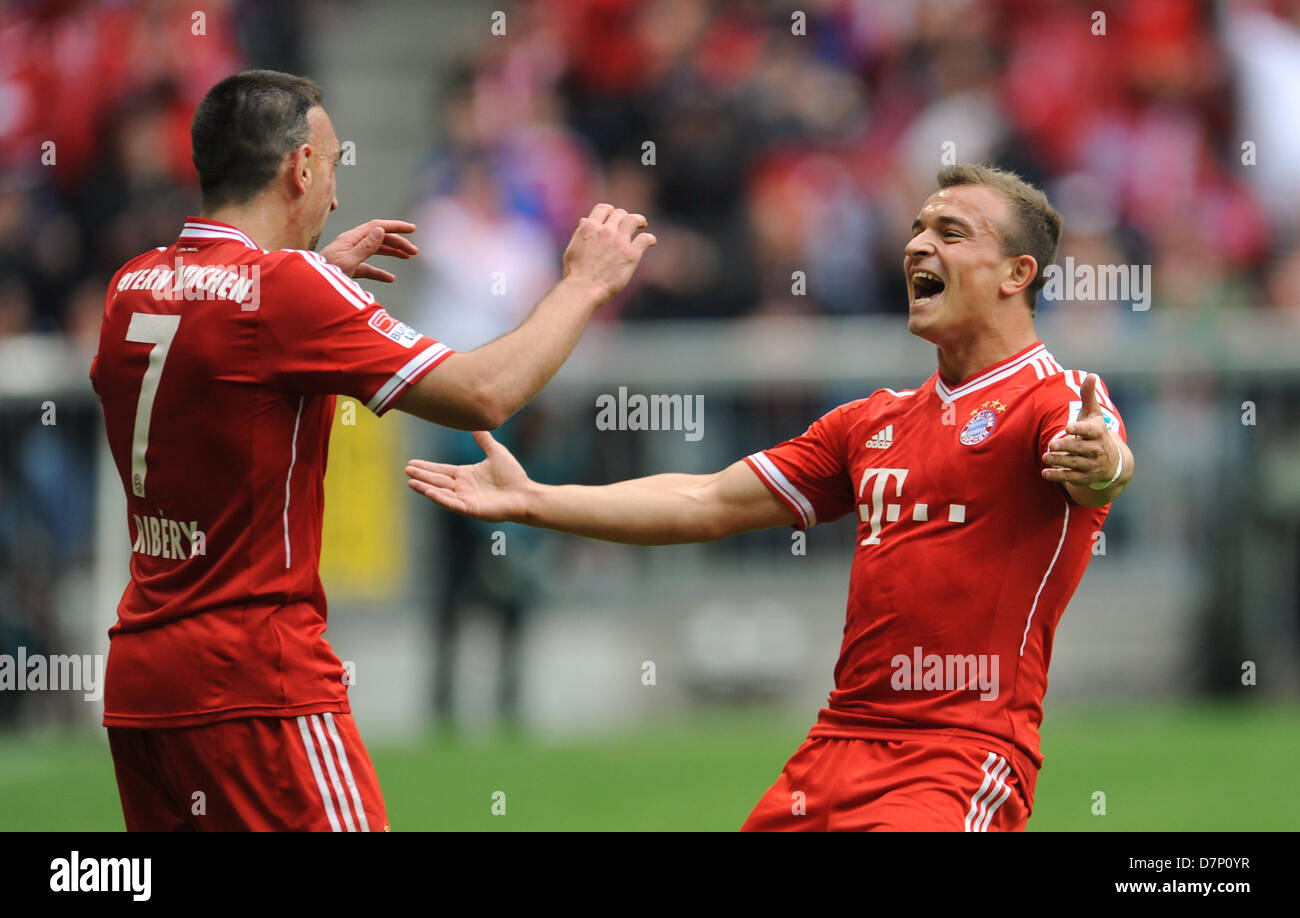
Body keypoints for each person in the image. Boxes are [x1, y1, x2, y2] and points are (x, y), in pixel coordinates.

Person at [406, 164, 1136, 832]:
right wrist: (536, 499)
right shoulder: (871, 422)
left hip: (956, 759)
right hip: (832, 750)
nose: (918, 245)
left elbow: (1102, 463)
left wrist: (1102, 461)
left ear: (1017, 272)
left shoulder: (1056, 400)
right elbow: (705, 499)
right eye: (917, 227)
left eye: (950, 231)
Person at [89, 70, 655, 831]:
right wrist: (583, 286)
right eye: (333, 165)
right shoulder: (286, 292)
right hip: (260, 682)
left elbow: (220, 357)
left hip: (146, 685)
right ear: (298, 168)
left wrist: (314, 283)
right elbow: (484, 391)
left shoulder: (134, 284)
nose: (336, 195)